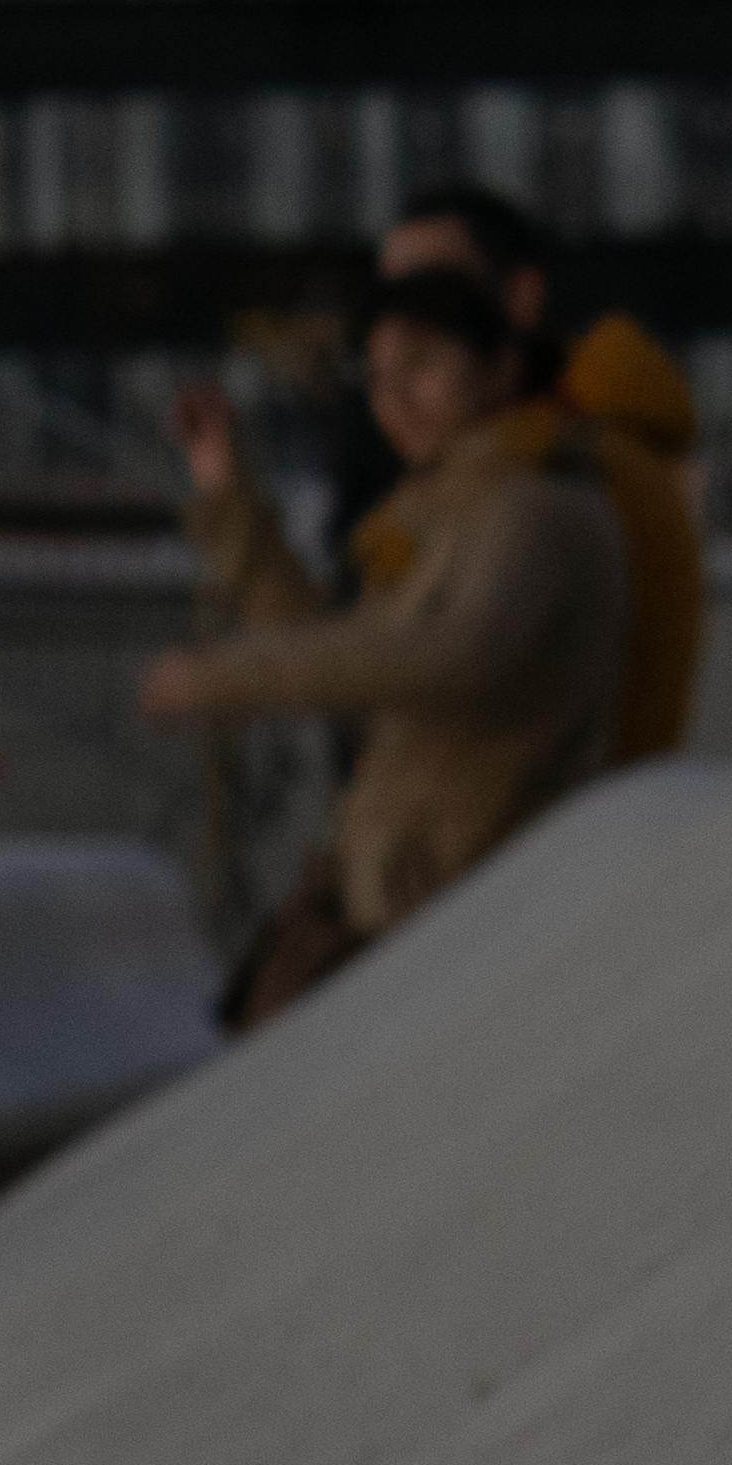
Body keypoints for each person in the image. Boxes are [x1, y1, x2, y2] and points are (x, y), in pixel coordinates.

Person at [143, 263, 630, 1028]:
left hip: (449, 913)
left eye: (422, 367)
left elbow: (450, 656)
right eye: (376, 378)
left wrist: (222, 678)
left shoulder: (535, 510)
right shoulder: (448, 509)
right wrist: (226, 493)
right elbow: (346, 651)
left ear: (502, 367)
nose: (394, 400)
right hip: (399, 898)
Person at [297, 181, 706, 774]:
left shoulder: (563, 469)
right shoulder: (472, 461)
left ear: (520, 299)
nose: (399, 320)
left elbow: (446, 667)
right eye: (390, 297)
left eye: (433, 292)